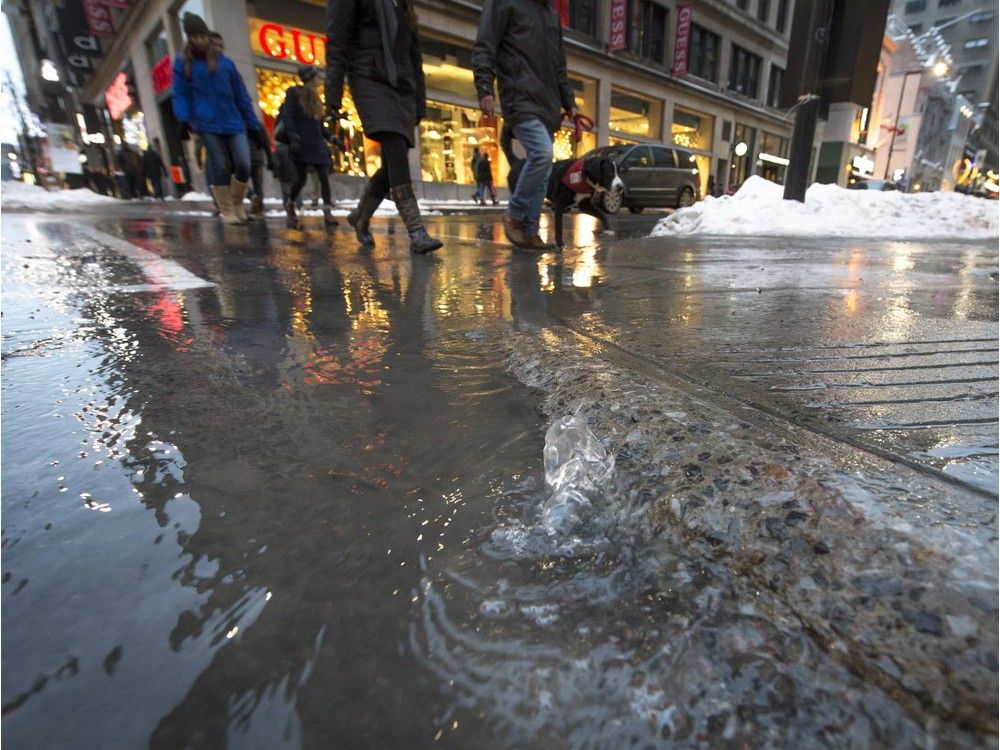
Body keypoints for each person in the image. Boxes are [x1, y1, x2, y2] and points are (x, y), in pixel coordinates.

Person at [326, 0, 442, 253]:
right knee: (395, 148)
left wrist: (420, 103)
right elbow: (337, 40)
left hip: (402, 85)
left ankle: (360, 216)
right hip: (369, 78)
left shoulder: (403, 5)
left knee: (392, 162)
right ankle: (416, 230)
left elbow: (415, 57)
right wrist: (332, 96)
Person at [472, 0, 577, 251]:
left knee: (543, 171)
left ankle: (529, 231)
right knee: (542, 154)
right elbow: (485, 46)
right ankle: (515, 214)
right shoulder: (505, 3)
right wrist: (484, 85)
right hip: (519, 96)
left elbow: (559, 67)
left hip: (548, 104)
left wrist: (569, 102)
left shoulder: (550, 13)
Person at [172, 13, 264, 224]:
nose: (200, 40)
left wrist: (253, 125)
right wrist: (183, 119)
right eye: (194, 37)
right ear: (189, 38)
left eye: (202, 35)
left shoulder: (226, 64)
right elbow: (181, 94)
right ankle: (227, 210)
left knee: (243, 164)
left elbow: (242, 96)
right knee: (221, 165)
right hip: (207, 123)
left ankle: (237, 203)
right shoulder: (184, 64)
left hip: (233, 121)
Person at [278, 65, 341, 229]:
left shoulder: (315, 98)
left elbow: (318, 125)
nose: (318, 80)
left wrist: (333, 139)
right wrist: (293, 137)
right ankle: (290, 205)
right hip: (301, 142)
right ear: (310, 78)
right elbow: (288, 116)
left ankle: (327, 213)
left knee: (324, 178)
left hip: (317, 144)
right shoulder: (294, 93)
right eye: (316, 77)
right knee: (301, 179)